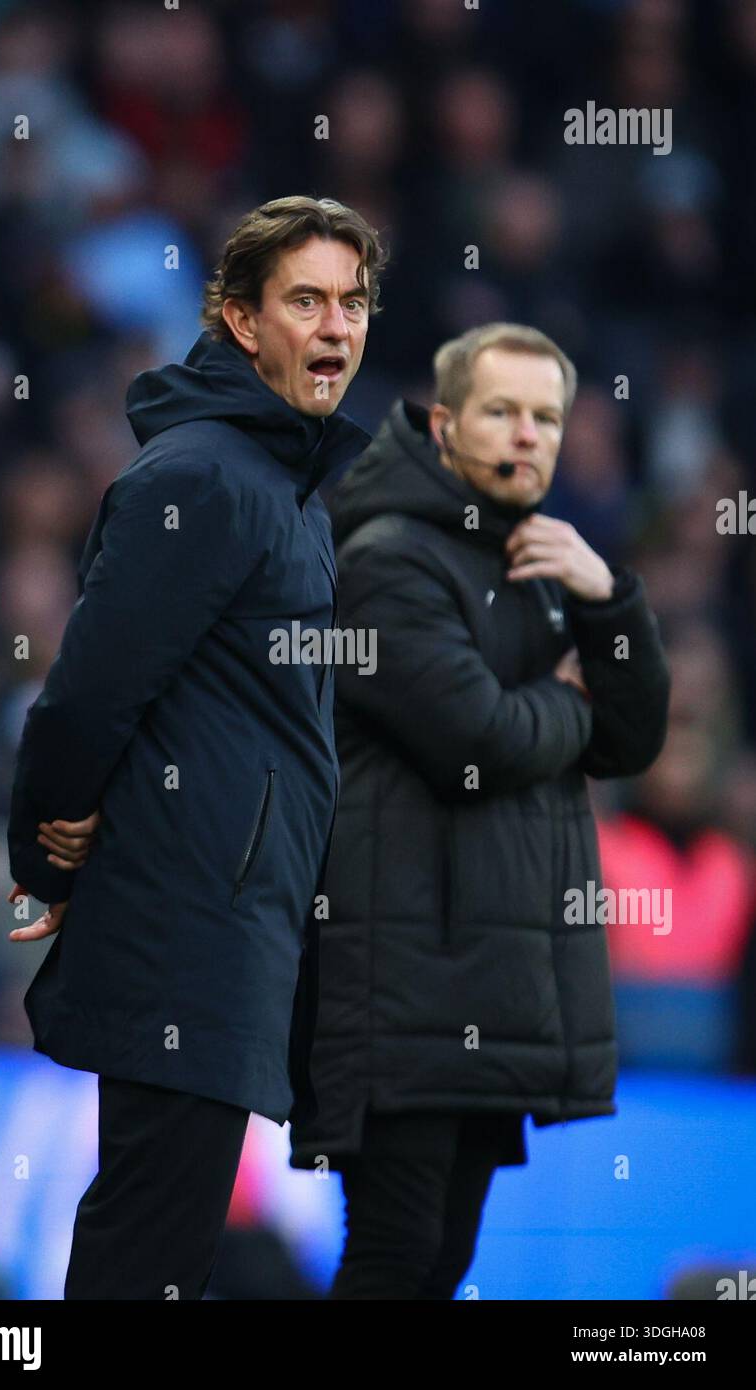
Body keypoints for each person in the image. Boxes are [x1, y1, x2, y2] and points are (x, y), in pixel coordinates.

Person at [5, 195, 383, 1300]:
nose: (333, 326)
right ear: (237, 320)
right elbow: (86, 698)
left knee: (159, 1252)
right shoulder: (203, 476)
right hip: (187, 918)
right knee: (144, 1251)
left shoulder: (289, 493)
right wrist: (44, 854)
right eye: (304, 299)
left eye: (351, 303)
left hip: (232, 920)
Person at [288, 322, 671, 1299]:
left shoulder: (540, 559)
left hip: (487, 985)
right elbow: (480, 738)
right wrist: (570, 698)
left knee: (436, 1262)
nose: (526, 434)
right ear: (445, 421)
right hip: (403, 978)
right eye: (501, 410)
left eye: (545, 416)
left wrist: (609, 600)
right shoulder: (386, 558)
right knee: (394, 1253)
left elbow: (629, 743)